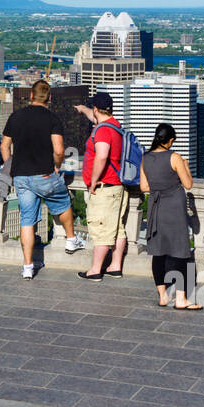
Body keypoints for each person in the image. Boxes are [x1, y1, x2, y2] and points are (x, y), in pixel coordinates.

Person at [0, 80, 80, 279]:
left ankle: (27, 267)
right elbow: (59, 150)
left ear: (31, 96)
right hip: (44, 174)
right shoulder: (52, 119)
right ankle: (71, 239)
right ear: (50, 98)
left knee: (27, 220)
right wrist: (57, 166)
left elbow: (4, 146)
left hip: (21, 177)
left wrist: (11, 165)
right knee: (63, 203)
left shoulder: (16, 116)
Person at [141, 123, 200, 309]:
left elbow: (144, 188)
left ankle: (163, 296)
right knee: (180, 252)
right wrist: (186, 167)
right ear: (171, 140)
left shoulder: (145, 158)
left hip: (155, 207)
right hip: (174, 206)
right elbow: (188, 184)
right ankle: (181, 299)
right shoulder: (175, 157)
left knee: (158, 253)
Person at [76, 92, 131, 282]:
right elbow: (96, 117)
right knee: (117, 227)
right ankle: (115, 266)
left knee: (100, 229)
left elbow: (101, 156)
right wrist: (83, 110)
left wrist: (92, 181)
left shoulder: (102, 131)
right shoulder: (114, 125)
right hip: (118, 186)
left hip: (104, 187)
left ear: (97, 109)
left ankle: (95, 270)